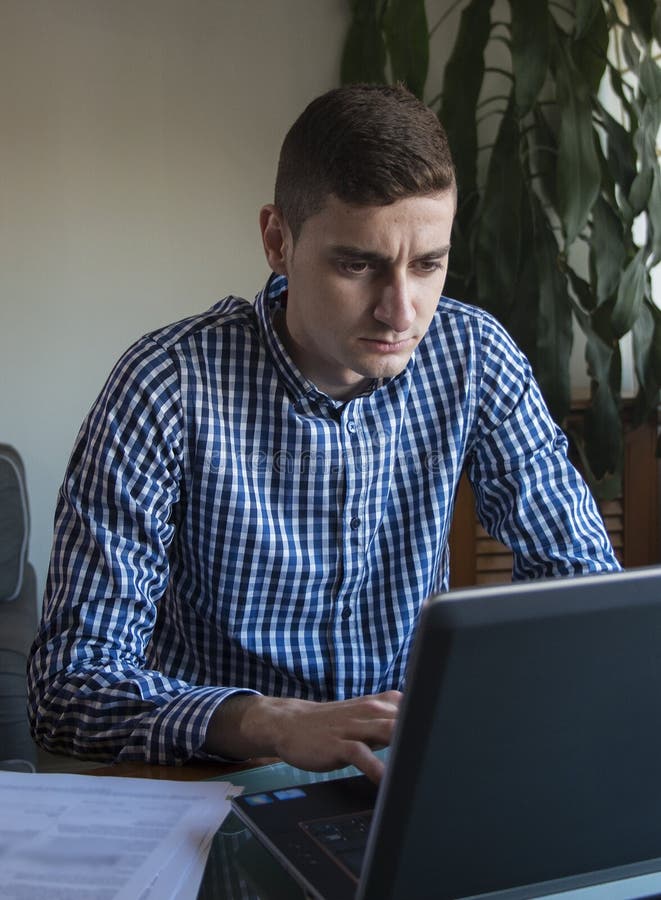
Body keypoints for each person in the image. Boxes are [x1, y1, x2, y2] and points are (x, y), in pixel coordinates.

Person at [27, 84, 619, 783]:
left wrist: (488, 713)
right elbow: (70, 686)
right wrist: (270, 724)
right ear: (278, 240)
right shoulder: (166, 386)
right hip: (218, 780)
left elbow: (581, 590)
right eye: (357, 264)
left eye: (428, 264)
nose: (401, 311)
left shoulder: (472, 355)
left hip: (411, 774)